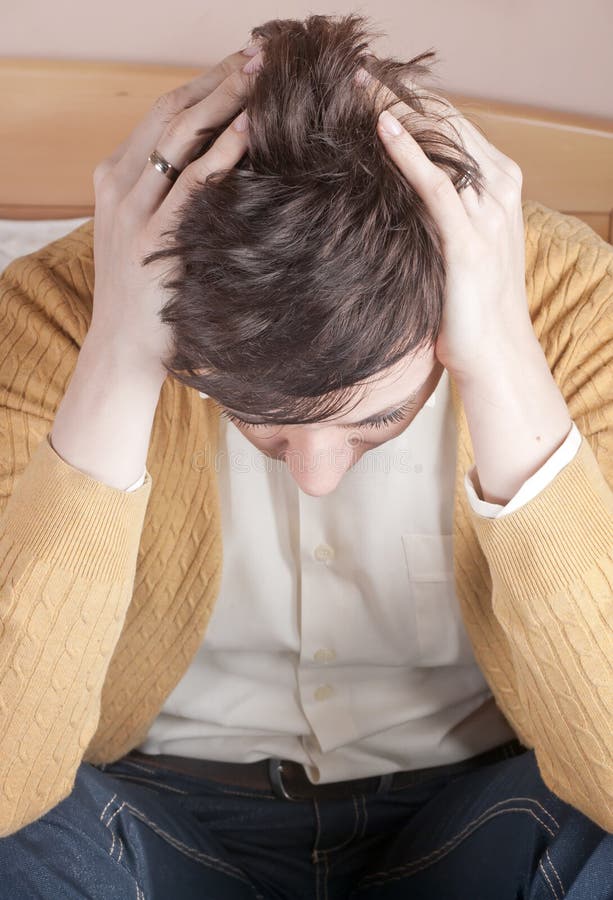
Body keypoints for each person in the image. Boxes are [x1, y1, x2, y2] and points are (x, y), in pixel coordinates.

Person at [0, 12, 611, 899]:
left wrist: (508, 358)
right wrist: (119, 356)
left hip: (479, 807)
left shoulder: (574, 308)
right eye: (257, 419)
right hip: (157, 807)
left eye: (378, 419)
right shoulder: (51, 317)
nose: (316, 474)